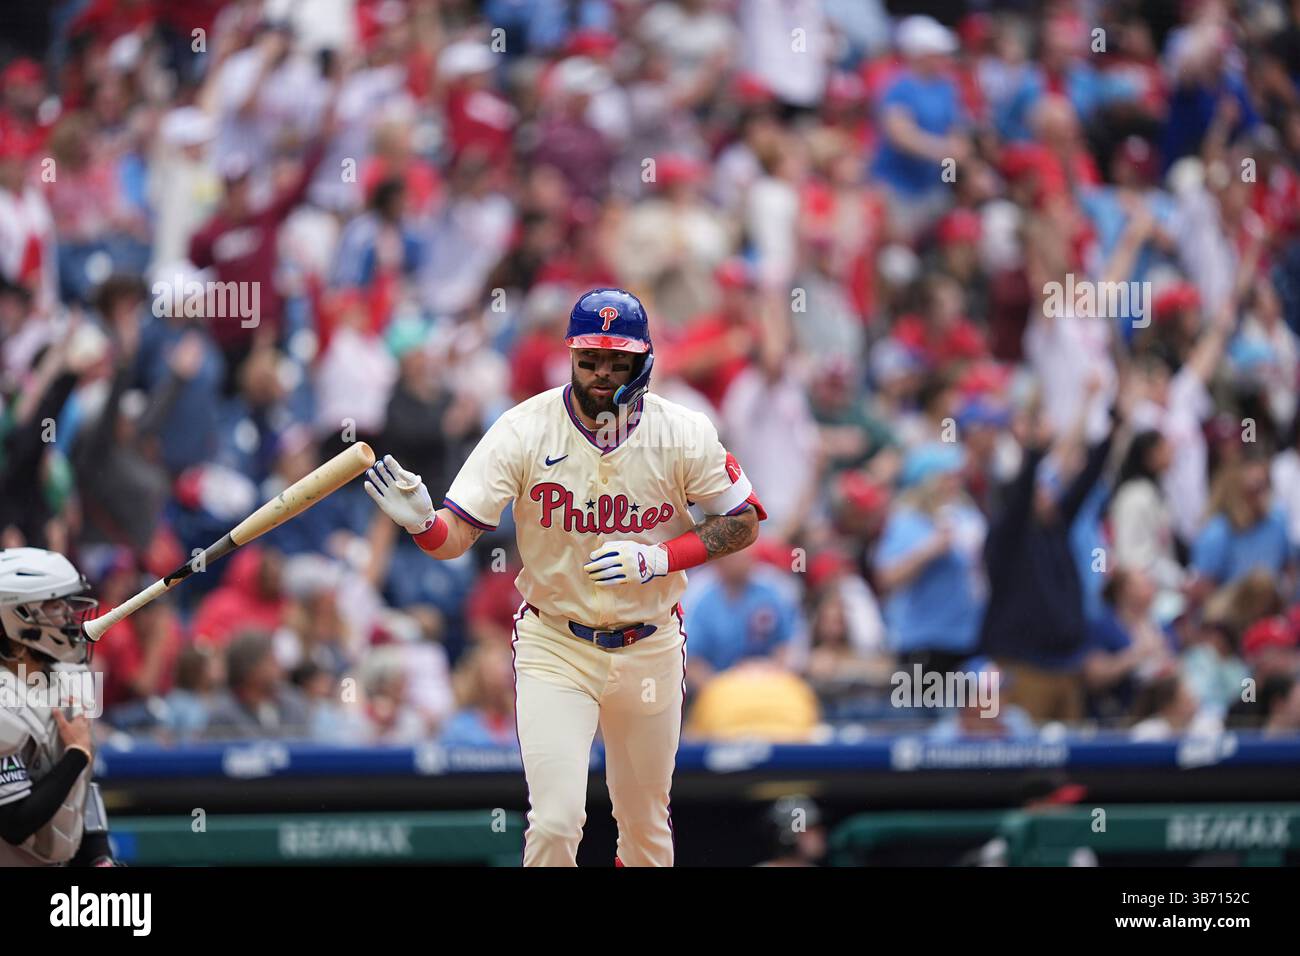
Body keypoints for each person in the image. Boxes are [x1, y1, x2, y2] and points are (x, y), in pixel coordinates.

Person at [365, 288, 766, 867]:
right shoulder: (524, 428)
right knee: (555, 823)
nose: (602, 373)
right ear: (571, 357)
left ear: (643, 361)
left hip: (649, 643)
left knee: (646, 826)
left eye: (616, 360)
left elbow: (744, 520)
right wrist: (425, 524)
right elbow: (456, 538)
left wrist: (659, 558)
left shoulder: (683, 430)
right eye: (590, 359)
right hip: (556, 642)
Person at [0, 548, 118, 866]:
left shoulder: (68, 676)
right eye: (55, 605)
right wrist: (76, 755)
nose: (69, 614)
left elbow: (80, 788)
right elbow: (14, 823)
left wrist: (99, 856)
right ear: (17, 617)